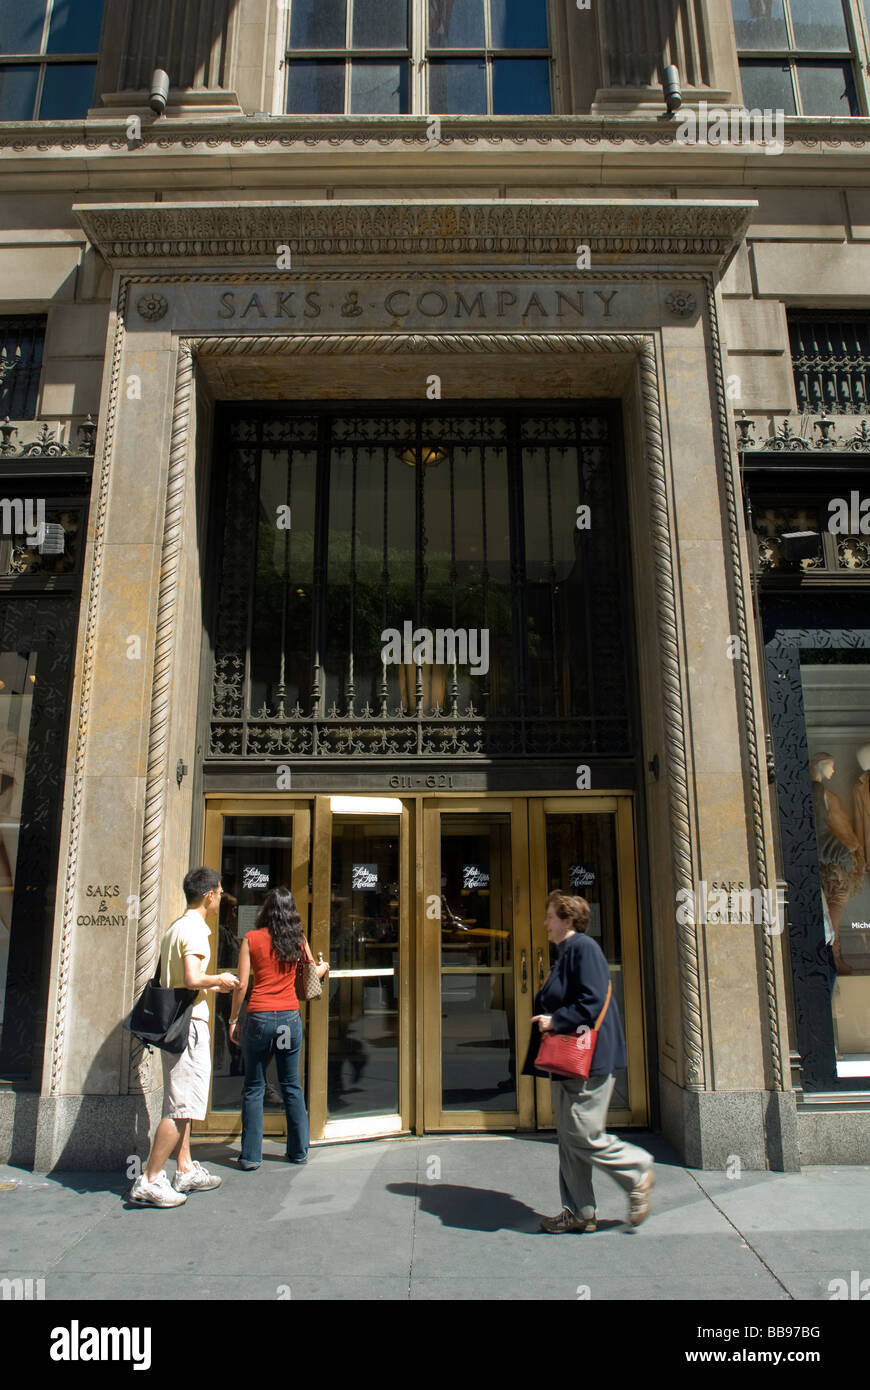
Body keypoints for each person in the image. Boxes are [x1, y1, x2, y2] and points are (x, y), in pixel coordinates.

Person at [524, 890, 654, 1233]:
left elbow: (592, 1001)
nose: (545, 923)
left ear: (568, 920)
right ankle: (580, 1212)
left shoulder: (584, 948)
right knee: (568, 1139)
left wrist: (556, 1021)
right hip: (567, 1061)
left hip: (588, 1059)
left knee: (582, 1132)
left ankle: (636, 1168)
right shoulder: (565, 952)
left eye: (550, 916)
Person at [130, 867, 238, 1208]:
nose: (221, 897)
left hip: (178, 1022)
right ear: (209, 895)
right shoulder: (194, 929)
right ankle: (149, 1178)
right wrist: (219, 979)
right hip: (190, 1024)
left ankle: (185, 1167)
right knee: (180, 1107)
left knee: (184, 1101)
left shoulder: (175, 927)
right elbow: (191, 978)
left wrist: (210, 983)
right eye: (219, 892)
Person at [229, 886, 329, 1170]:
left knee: (254, 1086)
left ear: (265, 910)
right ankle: (298, 1151)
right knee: (291, 1085)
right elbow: (312, 973)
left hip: (259, 1017)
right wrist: (325, 966)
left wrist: (234, 1019)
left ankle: (250, 1156)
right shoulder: (297, 939)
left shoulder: (251, 939)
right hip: (289, 1018)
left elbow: (242, 984)